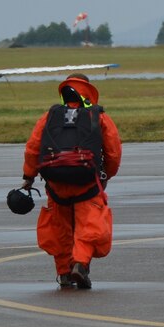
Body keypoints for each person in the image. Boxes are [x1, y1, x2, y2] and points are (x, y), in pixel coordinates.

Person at [20, 73, 122, 289]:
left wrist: (28, 176)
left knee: (59, 229)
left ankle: (64, 272)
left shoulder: (49, 116)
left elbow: (33, 148)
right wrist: (106, 175)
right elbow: (113, 151)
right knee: (89, 225)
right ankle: (80, 264)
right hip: (87, 183)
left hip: (55, 184)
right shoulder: (99, 117)